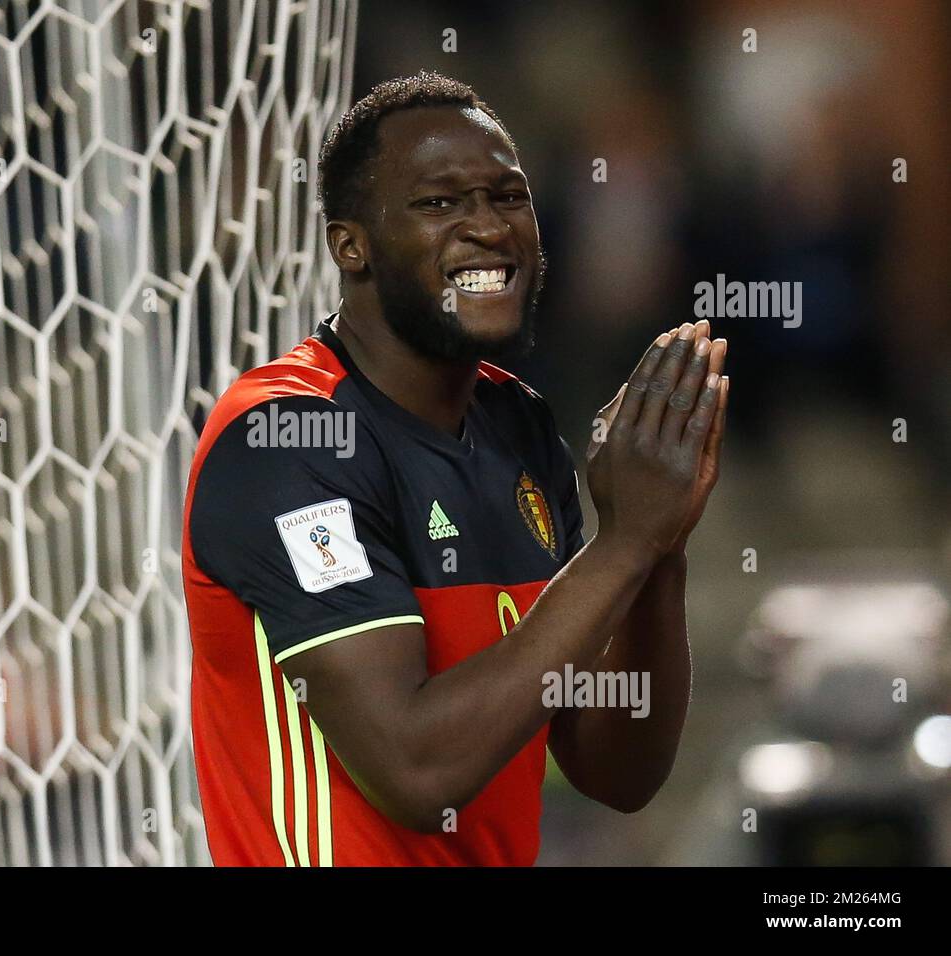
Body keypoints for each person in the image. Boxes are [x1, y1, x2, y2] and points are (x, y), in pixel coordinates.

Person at [181, 71, 730, 865]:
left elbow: (615, 769)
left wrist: (662, 542)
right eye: (439, 204)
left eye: (507, 197)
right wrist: (622, 548)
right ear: (351, 246)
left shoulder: (520, 428)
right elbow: (415, 768)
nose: (488, 227)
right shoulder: (287, 436)